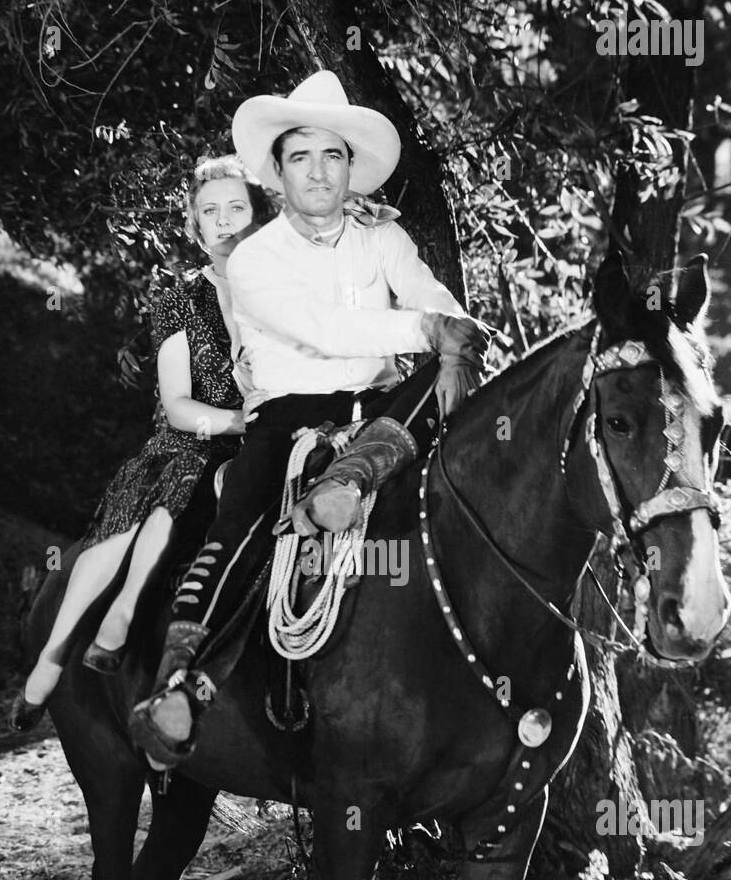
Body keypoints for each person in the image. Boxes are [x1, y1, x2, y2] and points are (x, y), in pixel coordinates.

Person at [131, 71, 489, 763]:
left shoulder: (383, 239)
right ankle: (181, 683)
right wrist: (431, 332)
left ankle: (349, 485)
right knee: (238, 523)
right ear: (277, 174)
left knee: (450, 399)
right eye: (301, 157)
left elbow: (432, 296)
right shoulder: (255, 259)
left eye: (333, 156)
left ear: (352, 168)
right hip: (288, 415)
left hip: (384, 410)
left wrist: (452, 337)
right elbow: (325, 329)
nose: (318, 172)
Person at [9, 155, 275, 732]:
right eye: (211, 212)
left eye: (237, 208)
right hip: (193, 436)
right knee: (157, 493)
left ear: (259, 217)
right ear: (195, 227)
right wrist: (239, 422)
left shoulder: (283, 288)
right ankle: (56, 652)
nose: (225, 222)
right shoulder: (180, 298)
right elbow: (178, 405)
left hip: (266, 441)